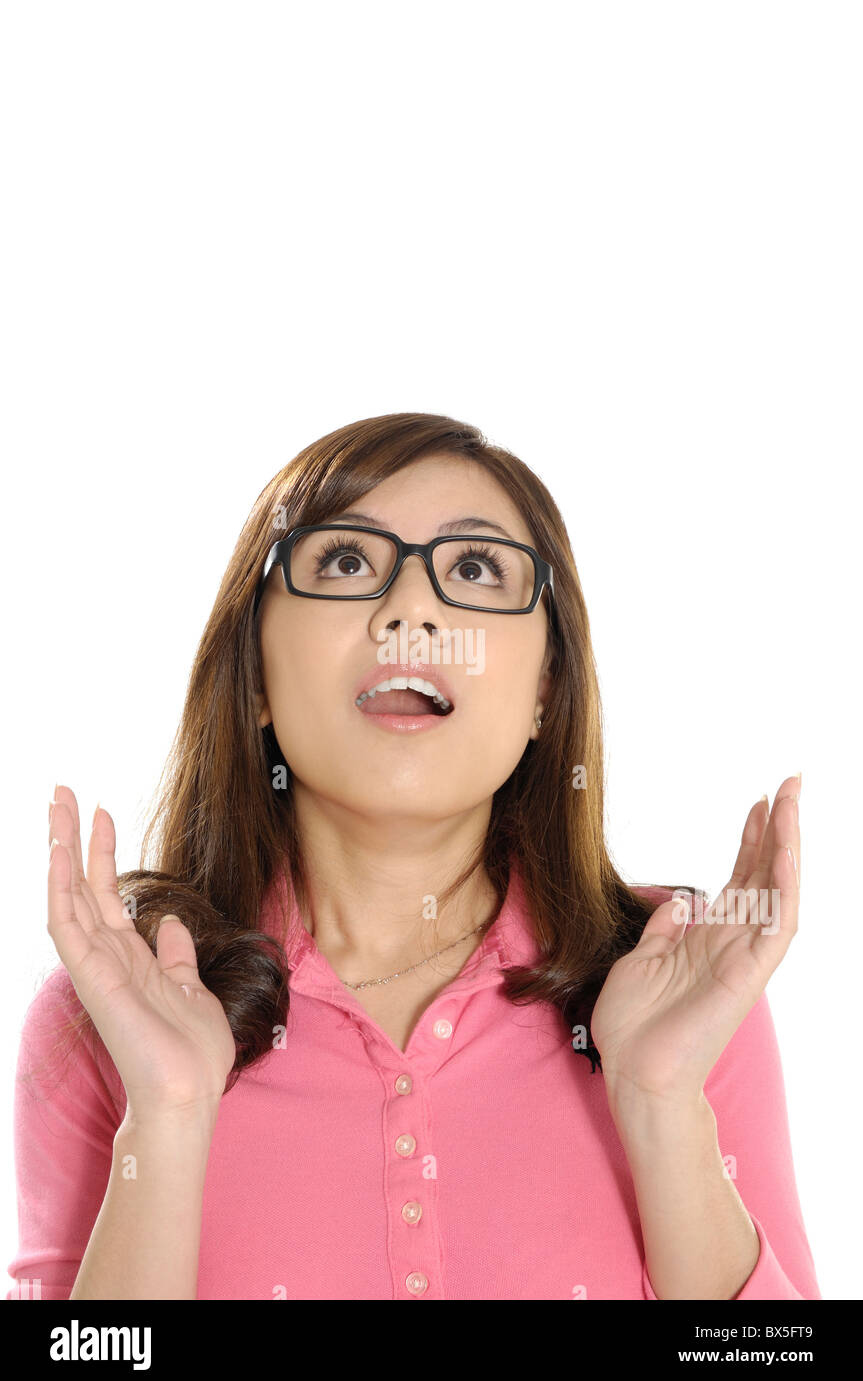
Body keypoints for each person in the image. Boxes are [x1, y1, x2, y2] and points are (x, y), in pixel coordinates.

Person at [7, 412, 819, 1300]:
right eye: (346, 562)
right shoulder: (116, 1010)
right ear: (258, 681)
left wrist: (663, 1108)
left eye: (474, 569)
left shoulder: (677, 983)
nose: (410, 610)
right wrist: (164, 1122)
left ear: (546, 690)